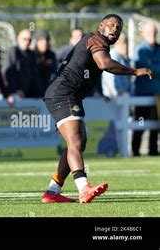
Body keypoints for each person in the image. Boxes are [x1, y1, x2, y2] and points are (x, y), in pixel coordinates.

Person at [42, 14, 152, 204]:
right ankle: (83, 188)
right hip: (63, 93)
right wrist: (134, 71)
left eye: (118, 28)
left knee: (78, 143)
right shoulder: (96, 39)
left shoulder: (97, 41)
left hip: (67, 94)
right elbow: (104, 64)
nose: (115, 30)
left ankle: (52, 191)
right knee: (76, 142)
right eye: (111, 25)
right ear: (101, 25)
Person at [133, 22, 160, 156]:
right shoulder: (140, 50)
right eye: (149, 32)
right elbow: (144, 68)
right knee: (140, 123)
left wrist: (153, 67)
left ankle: (153, 150)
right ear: (143, 34)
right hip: (142, 93)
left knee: (156, 124)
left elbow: (151, 68)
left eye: (154, 32)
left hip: (157, 94)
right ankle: (135, 150)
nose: (152, 35)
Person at [3, 29, 42, 98]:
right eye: (24, 39)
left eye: (29, 40)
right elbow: (8, 73)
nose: (27, 42)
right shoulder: (12, 51)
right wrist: (15, 90)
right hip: (14, 94)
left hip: (29, 94)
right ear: (18, 38)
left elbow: (34, 75)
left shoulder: (32, 54)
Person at [102, 33, 132, 99]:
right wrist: (118, 91)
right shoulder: (113, 56)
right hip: (113, 98)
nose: (125, 46)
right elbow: (110, 77)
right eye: (122, 44)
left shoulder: (125, 59)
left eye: (126, 43)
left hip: (122, 97)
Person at [34, 29, 57, 94]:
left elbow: (54, 73)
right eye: (41, 40)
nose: (44, 43)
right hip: (34, 93)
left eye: (46, 40)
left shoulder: (51, 55)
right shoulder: (32, 55)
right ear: (36, 42)